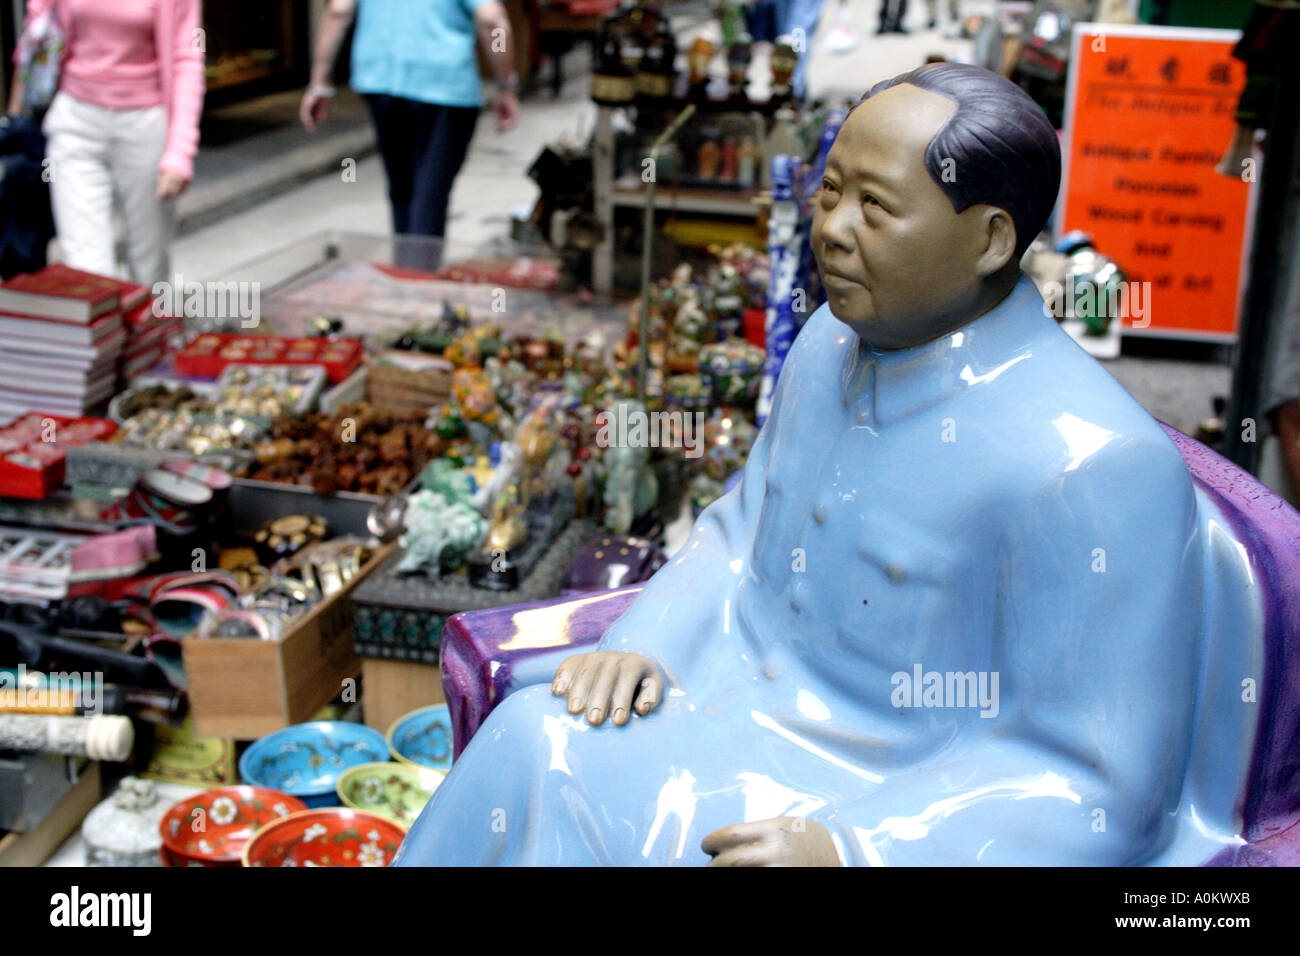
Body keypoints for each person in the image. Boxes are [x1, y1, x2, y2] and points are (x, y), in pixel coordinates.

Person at [393, 64, 1249, 867]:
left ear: (990, 240)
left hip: (890, 788)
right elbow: (739, 532)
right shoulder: (829, 343)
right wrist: (647, 640)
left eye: (876, 208)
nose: (831, 230)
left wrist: (857, 848)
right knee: (529, 740)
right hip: (727, 700)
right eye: (830, 192)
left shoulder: (1094, 464)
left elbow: (1099, 786)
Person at [301, 0, 519, 265]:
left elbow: (338, 10)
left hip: (381, 79)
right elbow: (492, 20)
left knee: (401, 188)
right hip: (445, 84)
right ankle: (417, 279)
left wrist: (320, 82)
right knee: (430, 193)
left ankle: (406, 272)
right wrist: (506, 84)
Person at [7, 0, 204, 286]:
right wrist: (15, 117)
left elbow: (187, 58)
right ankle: (104, 330)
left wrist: (180, 152)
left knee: (149, 269)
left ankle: (148, 329)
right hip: (74, 119)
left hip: (145, 122)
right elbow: (37, 34)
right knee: (86, 271)